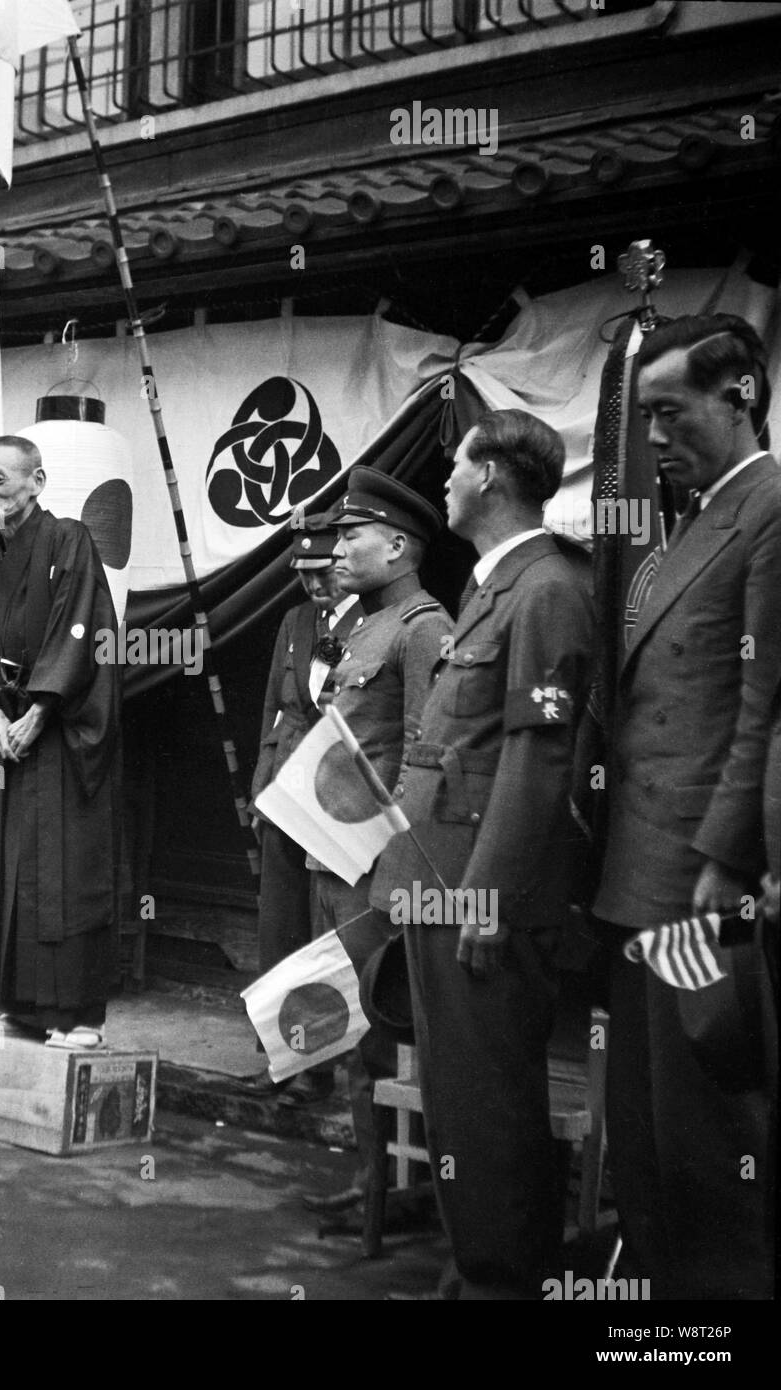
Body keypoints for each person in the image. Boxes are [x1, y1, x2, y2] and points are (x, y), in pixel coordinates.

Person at [370, 408, 594, 1299]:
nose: (448, 482)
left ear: (492, 477)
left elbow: (538, 755)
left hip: (475, 897)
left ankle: (503, 1281)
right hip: (442, 884)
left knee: (488, 1102)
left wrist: (485, 898)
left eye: (457, 465)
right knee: (463, 1098)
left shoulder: (544, 588)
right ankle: (481, 1272)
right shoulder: (498, 584)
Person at [592, 314, 780, 1299]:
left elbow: (764, 704)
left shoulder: (770, 510)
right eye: (644, 414)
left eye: (669, 412)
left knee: (709, 1153)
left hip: (697, 887)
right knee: (647, 1145)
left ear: (739, 391)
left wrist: (722, 862)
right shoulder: (680, 529)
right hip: (634, 880)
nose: (652, 435)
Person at [300, 468, 451, 1217]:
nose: (338, 548)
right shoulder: (362, 625)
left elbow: (430, 753)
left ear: (397, 545)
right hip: (329, 855)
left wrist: (398, 869)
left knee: (387, 1025)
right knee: (352, 1029)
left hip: (377, 870)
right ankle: (371, 1182)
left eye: (351, 535)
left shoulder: (424, 627)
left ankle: (410, 1190)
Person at [0, 436, 121, 1050]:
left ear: (37, 482)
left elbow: (84, 628)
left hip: (64, 736)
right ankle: (16, 1007)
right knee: (13, 873)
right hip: (11, 739)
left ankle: (80, 1017)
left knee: (67, 877)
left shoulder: (70, 541)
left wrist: (41, 710)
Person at [249, 517, 364, 1105]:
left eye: (324, 573)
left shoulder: (373, 623)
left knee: (327, 935)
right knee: (281, 929)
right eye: (305, 575)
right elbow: (275, 709)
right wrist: (261, 788)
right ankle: (283, 1059)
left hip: (338, 797)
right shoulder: (297, 623)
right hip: (286, 792)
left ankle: (323, 1066)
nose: (316, 585)